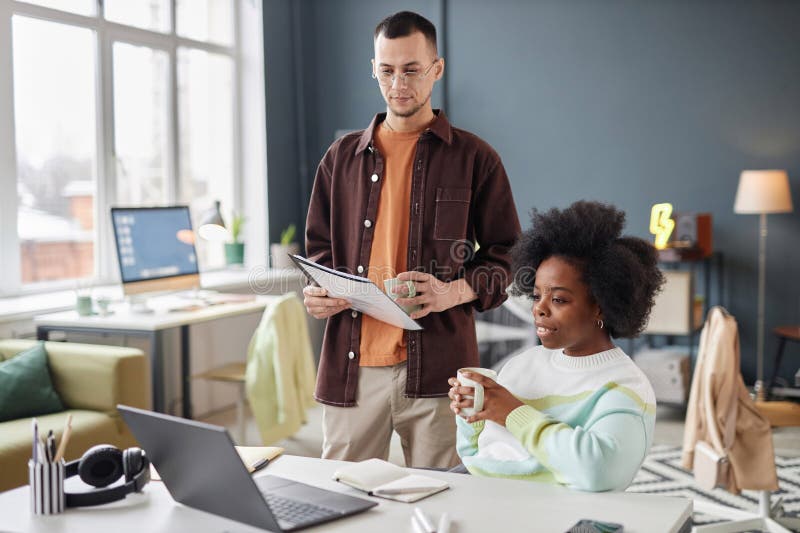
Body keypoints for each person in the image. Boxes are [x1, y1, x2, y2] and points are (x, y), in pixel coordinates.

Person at [303, 11, 520, 468]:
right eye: (387, 70)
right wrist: (322, 293)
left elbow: (510, 256)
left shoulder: (476, 157)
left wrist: (451, 292)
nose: (398, 83)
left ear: (436, 69)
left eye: (411, 70)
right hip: (353, 368)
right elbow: (319, 251)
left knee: (444, 502)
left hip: (441, 373)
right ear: (374, 69)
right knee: (341, 501)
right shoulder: (339, 159)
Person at [448, 201, 664, 491]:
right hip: (482, 495)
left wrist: (513, 413)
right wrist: (471, 415)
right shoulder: (522, 365)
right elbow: (477, 456)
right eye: (537, 296)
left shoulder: (625, 388)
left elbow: (599, 472)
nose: (539, 309)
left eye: (559, 299)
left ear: (601, 307)